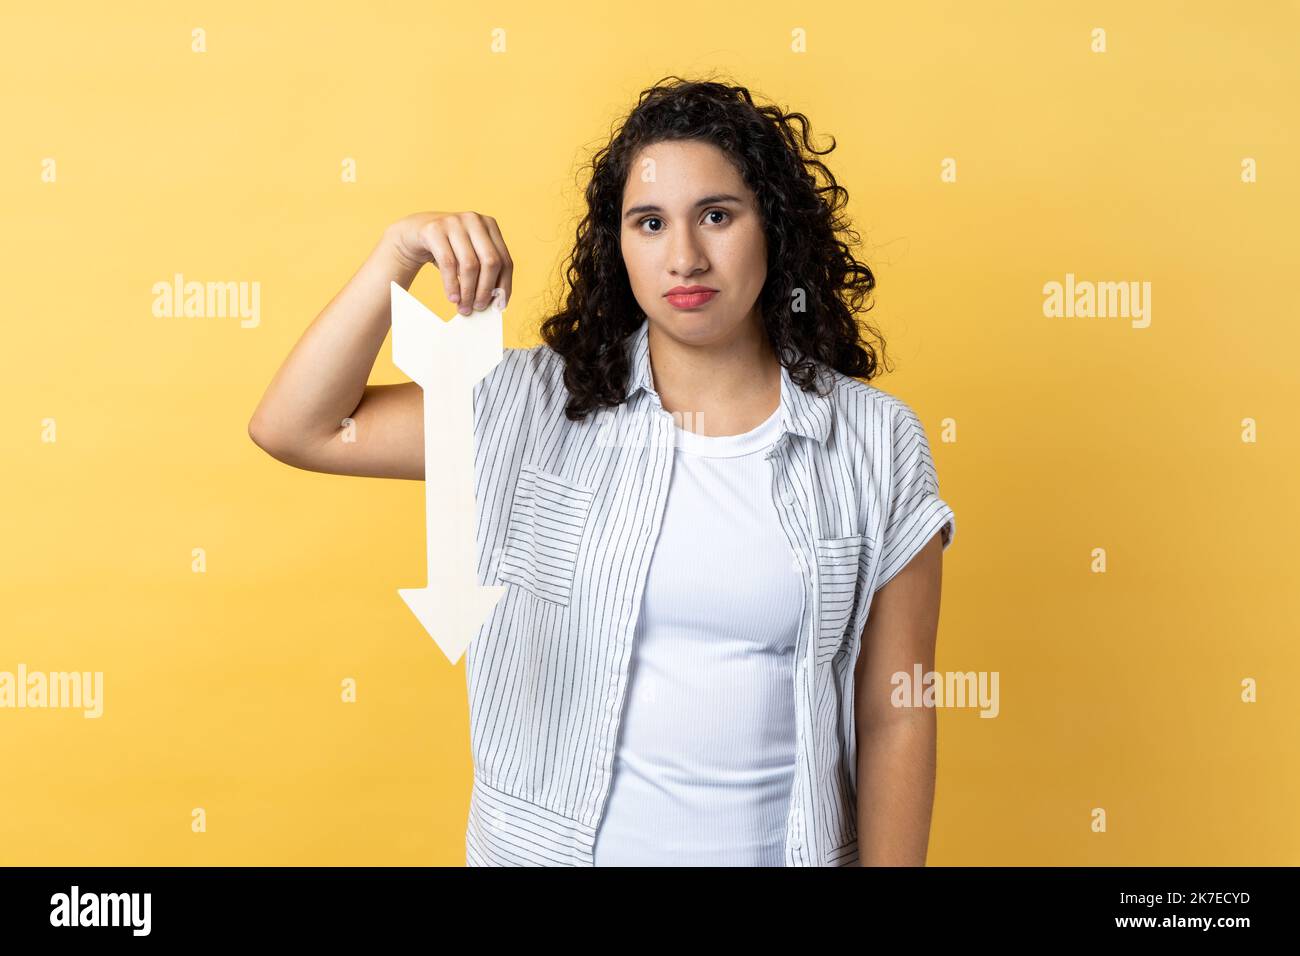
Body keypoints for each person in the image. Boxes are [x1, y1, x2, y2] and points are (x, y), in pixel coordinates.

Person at [248, 74, 956, 867]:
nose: (684, 257)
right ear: (618, 247)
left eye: (716, 216)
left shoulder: (875, 442)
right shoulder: (527, 408)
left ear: (775, 230)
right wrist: (397, 252)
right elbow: (297, 427)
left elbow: (897, 711)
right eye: (649, 223)